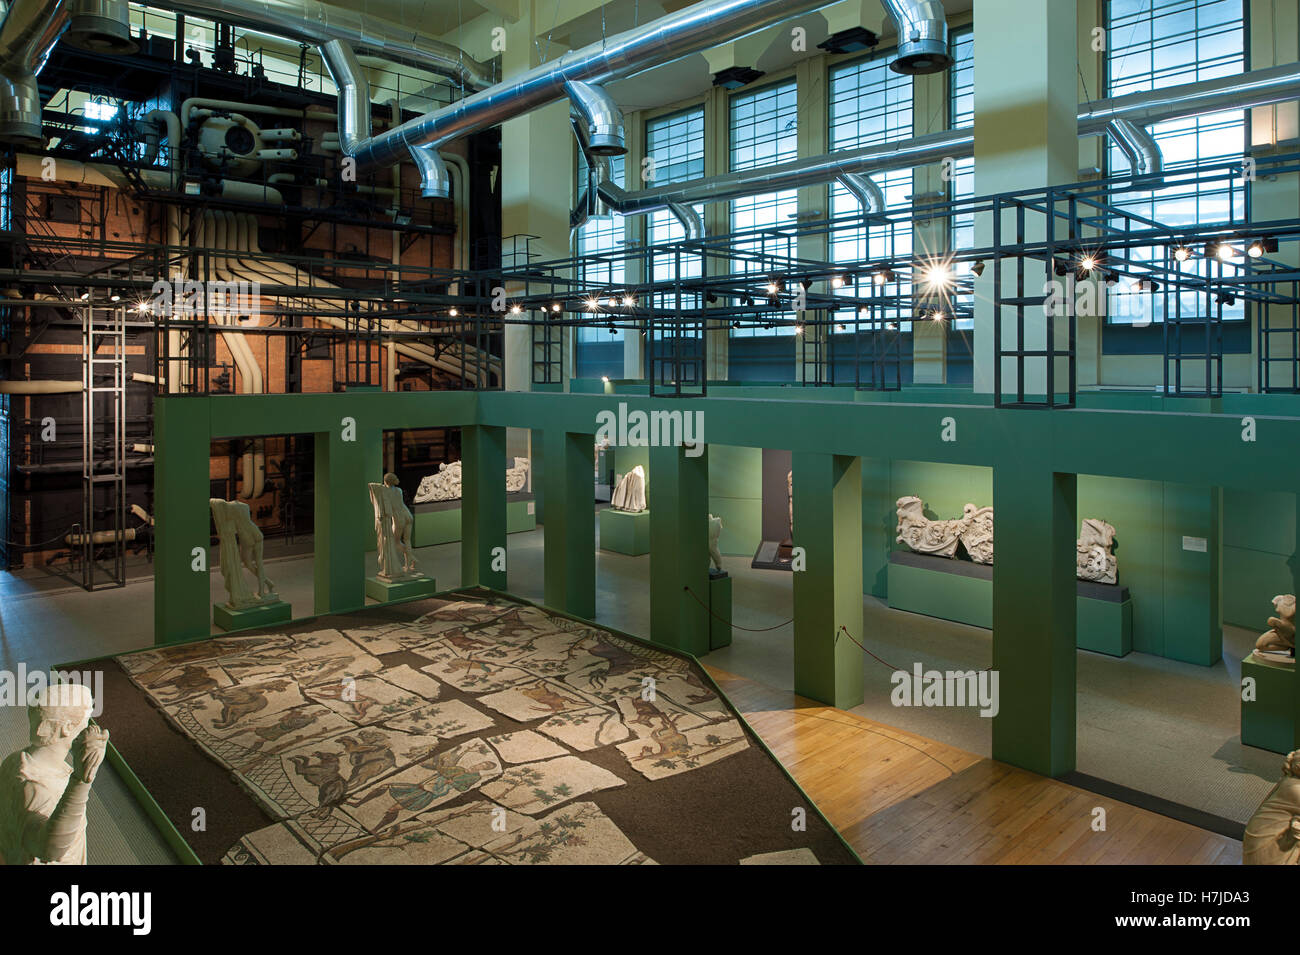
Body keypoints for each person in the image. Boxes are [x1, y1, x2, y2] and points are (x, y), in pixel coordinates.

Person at [0, 683, 108, 865]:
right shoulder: (40, 787)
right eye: (87, 718)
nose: (90, 725)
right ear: (66, 728)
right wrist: (81, 782)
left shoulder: (15, 759)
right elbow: (48, 850)